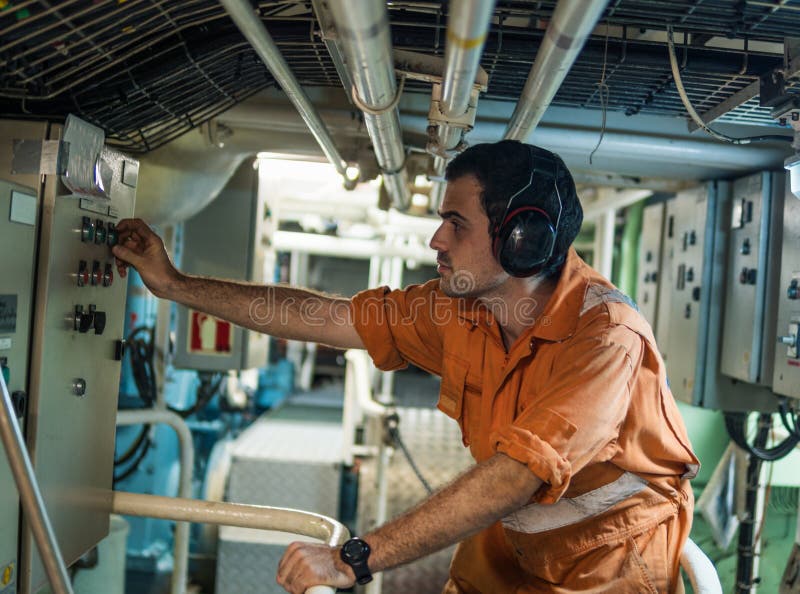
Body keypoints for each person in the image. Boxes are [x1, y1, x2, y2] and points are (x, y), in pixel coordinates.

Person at [113, 140, 699, 594]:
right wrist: (177, 286)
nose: (435, 239)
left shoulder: (605, 337)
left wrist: (354, 557)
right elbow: (325, 318)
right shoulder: (463, 311)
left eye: (457, 223)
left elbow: (520, 473)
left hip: (608, 565)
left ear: (524, 239)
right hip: (510, 546)